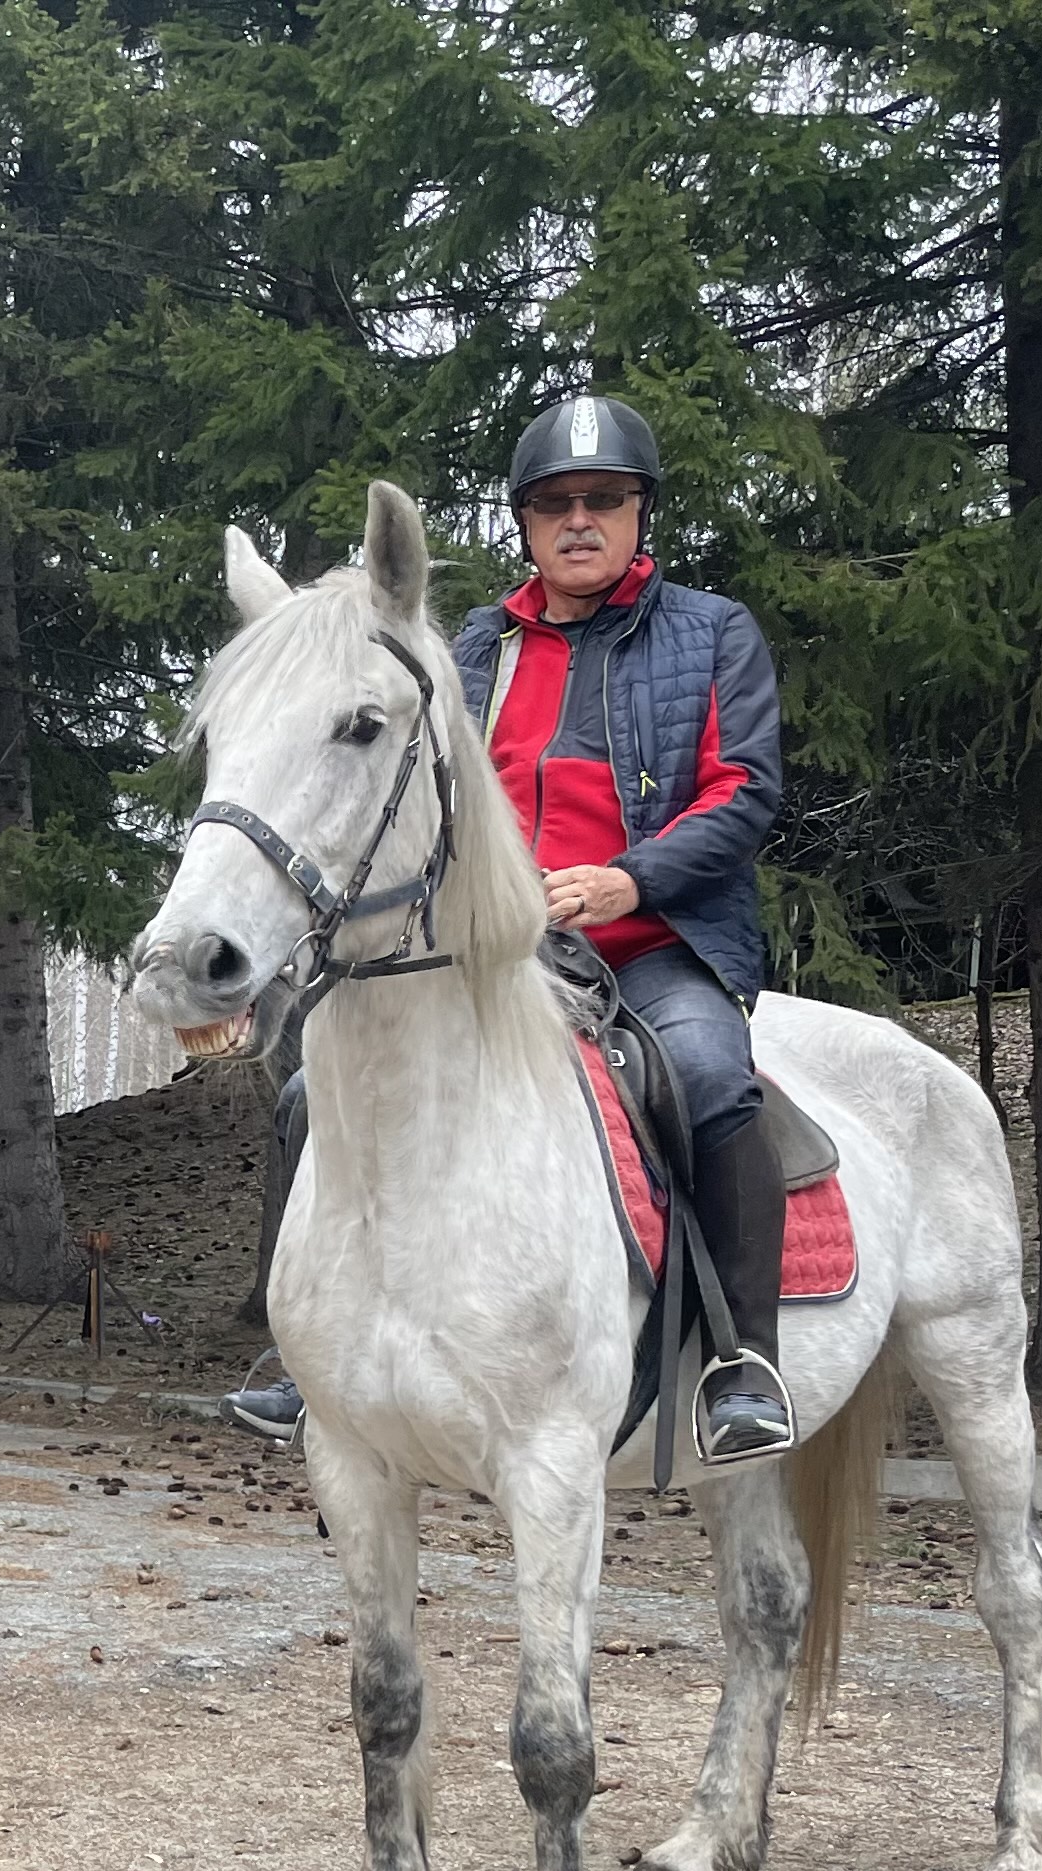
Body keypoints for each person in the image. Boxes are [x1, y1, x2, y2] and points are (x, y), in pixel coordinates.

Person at [224, 394, 790, 1462]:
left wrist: (631, 879)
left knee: (712, 1073)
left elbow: (745, 792)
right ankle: (308, 1363)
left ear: (641, 513)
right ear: (526, 523)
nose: (581, 519)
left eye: (605, 500)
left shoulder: (712, 632)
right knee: (311, 1087)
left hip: (654, 946)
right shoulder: (477, 646)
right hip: (497, 951)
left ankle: (741, 1362)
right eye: (556, 503)